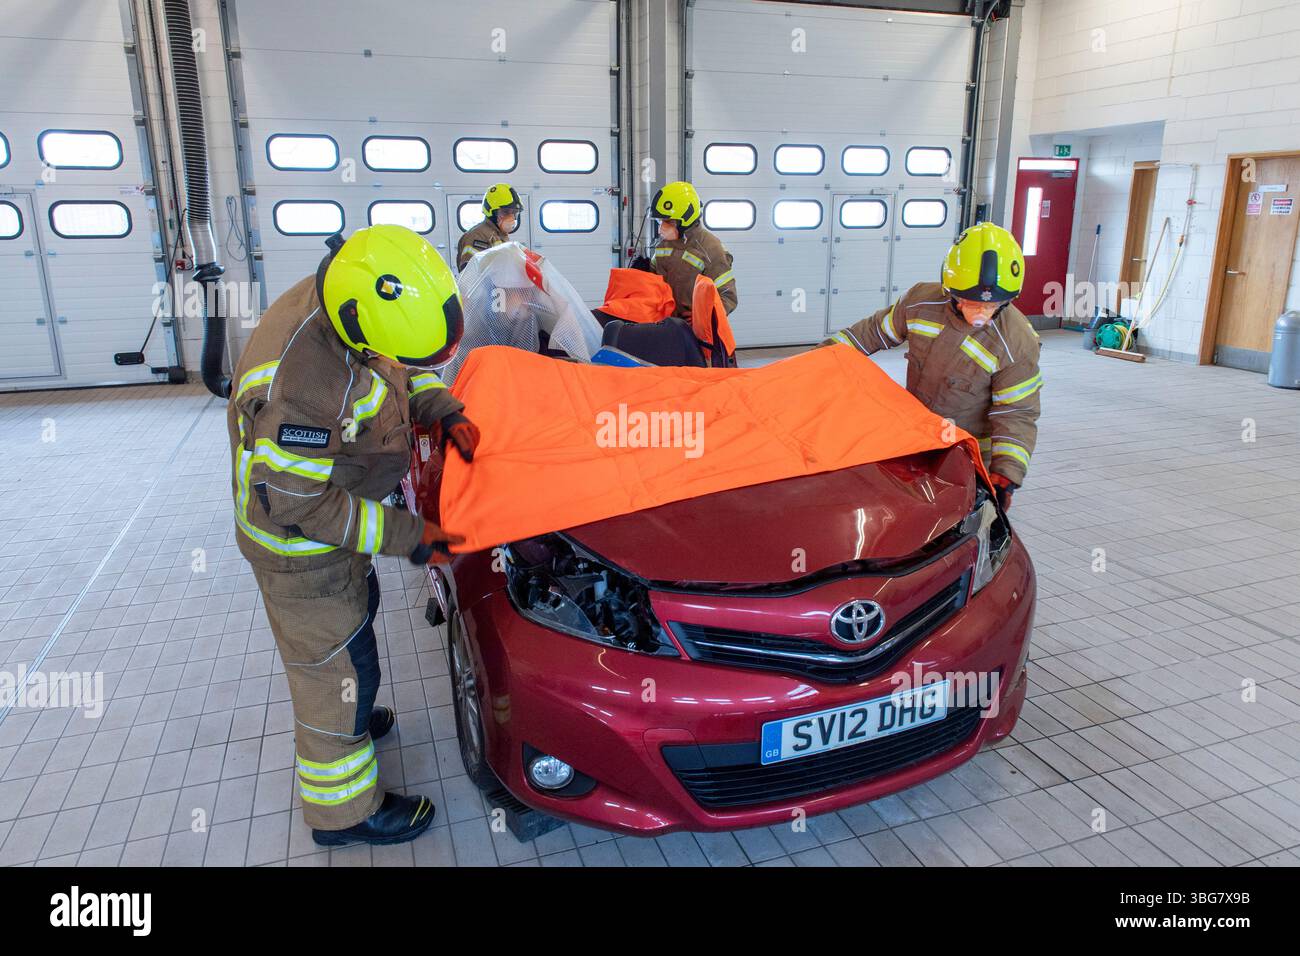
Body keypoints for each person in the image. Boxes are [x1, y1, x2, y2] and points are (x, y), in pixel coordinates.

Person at [227, 224, 479, 847]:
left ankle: (355, 714)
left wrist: (441, 407)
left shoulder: (357, 302)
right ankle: (345, 813)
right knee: (333, 669)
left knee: (356, 629)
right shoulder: (299, 390)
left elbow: (396, 372)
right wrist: (411, 536)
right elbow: (300, 507)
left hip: (336, 539)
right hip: (301, 553)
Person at [824, 222, 1041, 510]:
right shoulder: (920, 303)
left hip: (964, 458)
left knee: (957, 530)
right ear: (949, 289)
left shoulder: (1017, 342)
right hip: (915, 442)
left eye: (991, 306)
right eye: (968, 301)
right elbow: (868, 335)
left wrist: (1006, 474)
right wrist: (820, 359)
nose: (979, 313)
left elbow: (1017, 413)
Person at [645, 181, 737, 319]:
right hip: (666, 324)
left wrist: (705, 317)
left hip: (694, 332)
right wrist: (641, 271)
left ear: (686, 218)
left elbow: (728, 296)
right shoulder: (664, 244)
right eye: (660, 221)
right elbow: (653, 276)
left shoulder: (711, 248)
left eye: (669, 221)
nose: (662, 227)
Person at [456, 182, 521, 272]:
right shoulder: (478, 236)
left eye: (514, 212)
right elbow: (470, 275)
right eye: (506, 212)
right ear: (491, 212)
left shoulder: (499, 235)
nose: (512, 217)